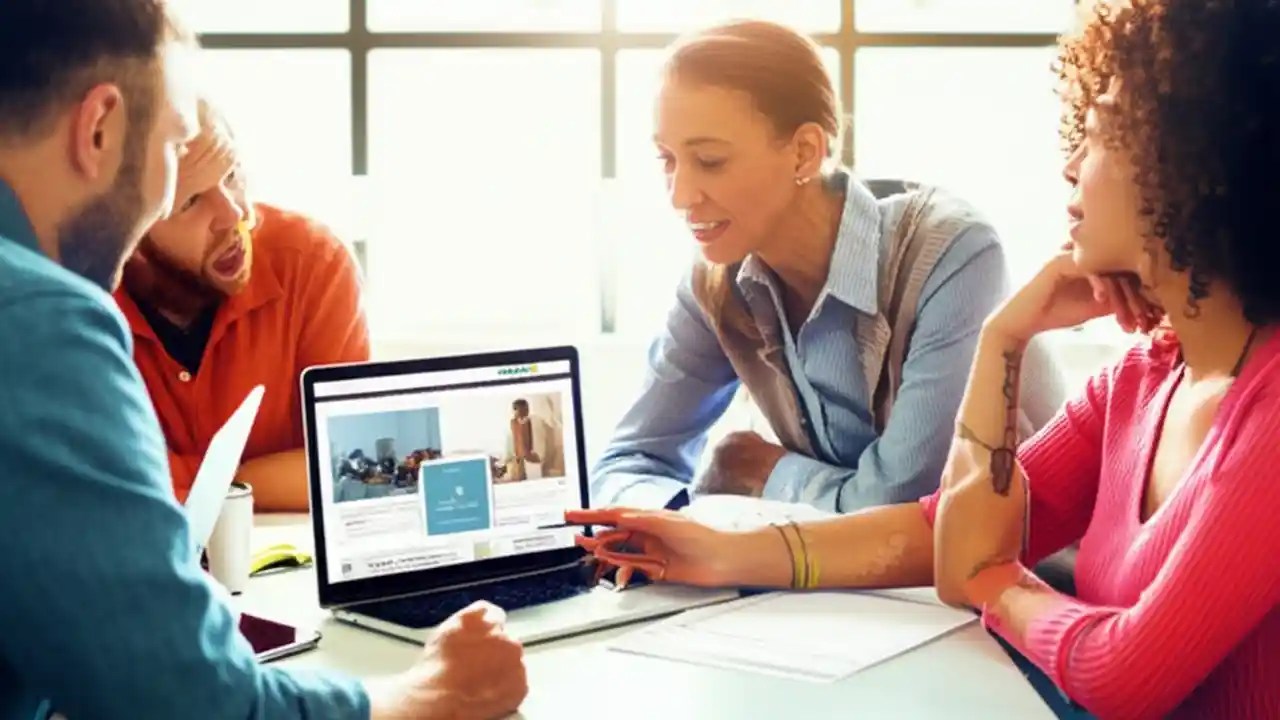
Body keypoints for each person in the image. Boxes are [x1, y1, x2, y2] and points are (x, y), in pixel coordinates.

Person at [572, 1, 1280, 718]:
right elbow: (937, 532)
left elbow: (1125, 671)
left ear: (1194, 165)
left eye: (1099, 138)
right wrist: (714, 552)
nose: (1069, 163)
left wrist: (991, 581)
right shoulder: (1141, 379)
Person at [0, 2, 525, 718]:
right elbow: (191, 706)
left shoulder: (306, 257)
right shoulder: (41, 320)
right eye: (173, 147)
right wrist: (431, 692)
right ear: (99, 129)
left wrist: (142, 586)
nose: (231, 214)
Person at [591, 20, 1039, 514]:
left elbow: (908, 505)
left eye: (710, 160)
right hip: (850, 583)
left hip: (1013, 575)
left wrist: (767, 472)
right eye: (667, 160)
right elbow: (627, 463)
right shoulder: (717, 280)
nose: (679, 196)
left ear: (805, 151)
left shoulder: (951, 257)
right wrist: (673, 527)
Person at [115, 97, 370, 509]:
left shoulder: (313, 262)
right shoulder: (80, 294)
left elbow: (352, 466)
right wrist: (268, 478)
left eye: (231, 174)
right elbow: (87, 484)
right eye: (191, 202)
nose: (234, 213)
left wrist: (221, 484)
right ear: (129, 228)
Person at [504, 398, 564, 481]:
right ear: (514, 412)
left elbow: (536, 448)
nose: (522, 416)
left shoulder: (534, 422)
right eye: (519, 412)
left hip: (530, 457)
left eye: (525, 411)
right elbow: (514, 446)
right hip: (520, 457)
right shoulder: (513, 424)